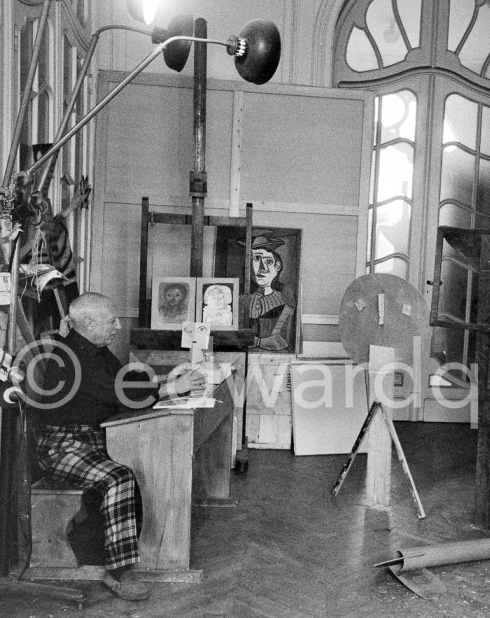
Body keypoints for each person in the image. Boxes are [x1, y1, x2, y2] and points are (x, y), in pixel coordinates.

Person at [29, 293, 204, 601]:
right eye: (112, 321)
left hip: (93, 439)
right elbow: (119, 395)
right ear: (88, 323)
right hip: (63, 447)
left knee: (141, 470)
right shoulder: (73, 357)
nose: (119, 327)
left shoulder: (96, 350)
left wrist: (169, 377)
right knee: (120, 478)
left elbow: (125, 381)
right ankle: (118, 574)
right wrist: (171, 388)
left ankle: (115, 546)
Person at [239, 234, 295, 351]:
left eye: (268, 261)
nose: (262, 268)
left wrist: (257, 341)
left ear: (277, 266)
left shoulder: (285, 299)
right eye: (257, 259)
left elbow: (284, 338)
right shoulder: (241, 298)